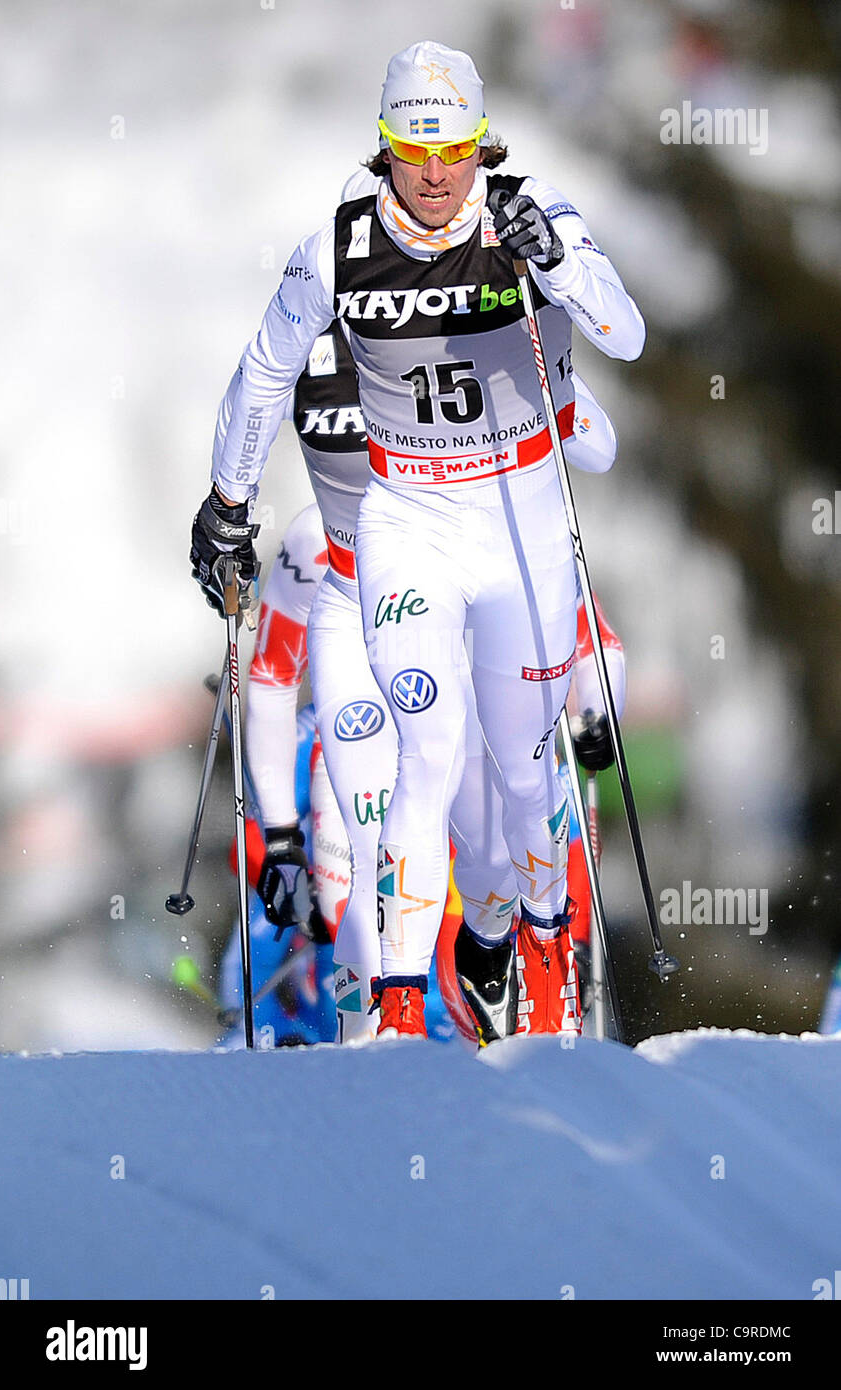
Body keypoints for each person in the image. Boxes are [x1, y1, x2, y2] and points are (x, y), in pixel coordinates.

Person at [191, 40, 643, 1041]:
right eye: (411, 149)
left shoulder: (532, 209)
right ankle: (398, 1009)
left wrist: (560, 262)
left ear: (482, 144)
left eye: (456, 151)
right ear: (384, 144)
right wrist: (225, 503)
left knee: (525, 771)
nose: (435, 176)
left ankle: (523, 937)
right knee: (421, 752)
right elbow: (264, 370)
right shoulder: (338, 246)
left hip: (517, 513)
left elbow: (624, 335)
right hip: (407, 521)